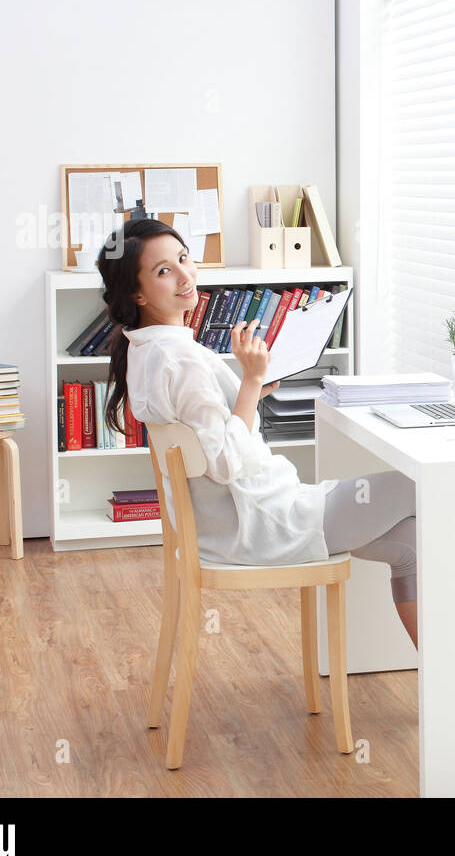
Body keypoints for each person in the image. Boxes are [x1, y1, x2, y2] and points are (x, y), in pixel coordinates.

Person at [97, 218, 418, 646]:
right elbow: (226, 463)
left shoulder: (147, 351)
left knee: (410, 545)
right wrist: (248, 383)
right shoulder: (183, 359)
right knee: (419, 484)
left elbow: (208, 435)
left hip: (231, 526)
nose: (184, 275)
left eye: (183, 258)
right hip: (266, 521)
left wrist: (250, 389)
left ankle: (441, 686)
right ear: (136, 294)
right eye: (163, 271)